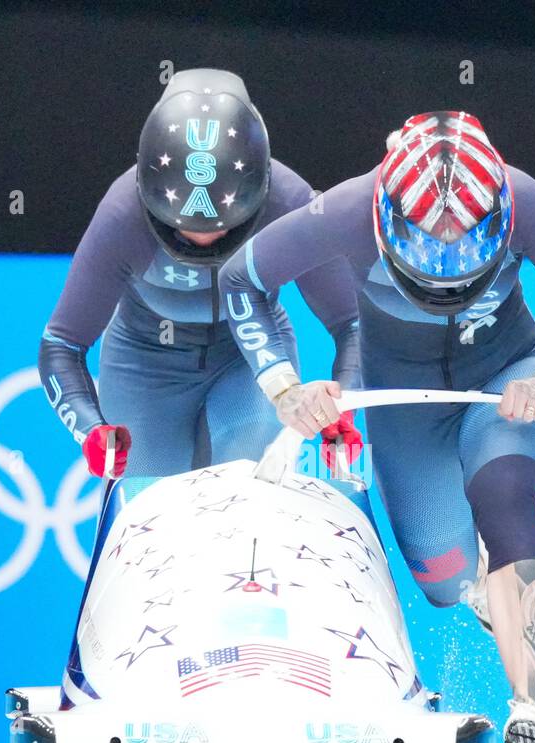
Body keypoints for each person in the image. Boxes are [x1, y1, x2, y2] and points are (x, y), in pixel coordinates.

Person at [221, 111, 535, 743]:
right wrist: (286, 388)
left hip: (507, 380)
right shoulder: (345, 211)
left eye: (467, 245)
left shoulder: (524, 203)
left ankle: (530, 705)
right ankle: (484, 589)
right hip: (405, 412)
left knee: (504, 494)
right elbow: (241, 280)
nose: (448, 268)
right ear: (386, 219)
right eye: (430, 247)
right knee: (441, 579)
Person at [37, 67, 361, 482]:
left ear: (260, 192)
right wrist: (90, 430)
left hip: (250, 361)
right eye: (182, 226)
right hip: (145, 366)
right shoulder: (122, 216)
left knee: (245, 491)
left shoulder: (292, 202)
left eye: (223, 225)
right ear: (149, 195)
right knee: (153, 516)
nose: (204, 242)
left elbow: (352, 324)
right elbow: (61, 345)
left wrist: (344, 406)